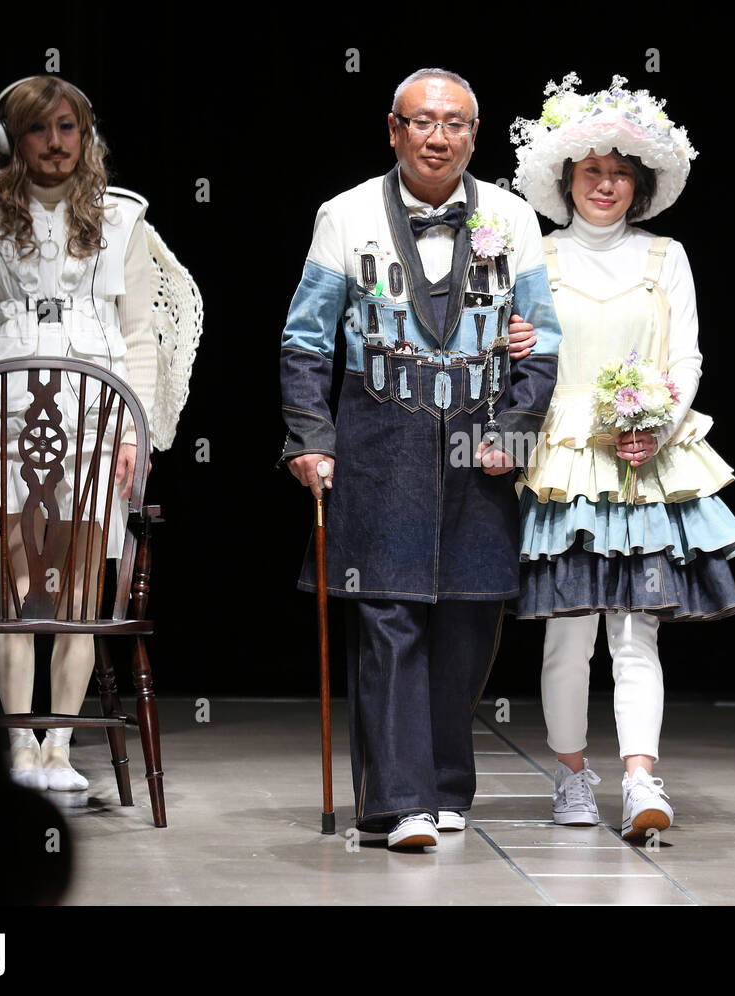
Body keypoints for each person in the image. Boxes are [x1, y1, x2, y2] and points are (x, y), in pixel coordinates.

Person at [0, 76, 201, 793]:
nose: (56, 144)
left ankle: (58, 747)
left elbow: (141, 338)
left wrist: (137, 433)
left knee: (80, 586)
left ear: (85, 136)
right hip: (5, 420)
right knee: (18, 587)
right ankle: (22, 751)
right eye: (39, 130)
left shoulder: (123, 222)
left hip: (97, 428)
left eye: (68, 128)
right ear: (11, 140)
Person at [279, 68, 561, 850]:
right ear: (394, 130)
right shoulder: (344, 215)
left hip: (481, 450)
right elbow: (306, 341)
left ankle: (443, 786)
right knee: (389, 617)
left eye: (456, 124)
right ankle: (397, 802)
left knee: (470, 618)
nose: (439, 137)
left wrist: (516, 426)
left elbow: (545, 341)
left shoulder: (512, 215)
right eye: (423, 122)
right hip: (378, 445)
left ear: (474, 135)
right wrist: (310, 437)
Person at [507, 75, 735, 841]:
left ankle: (642, 780)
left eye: (619, 173)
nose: (605, 184)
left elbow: (688, 357)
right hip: (564, 458)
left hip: (643, 456)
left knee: (637, 628)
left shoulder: (664, 256)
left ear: (637, 183)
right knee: (569, 631)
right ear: (566, 178)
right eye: (591, 171)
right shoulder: (535, 258)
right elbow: (521, 362)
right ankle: (572, 779)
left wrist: (658, 425)